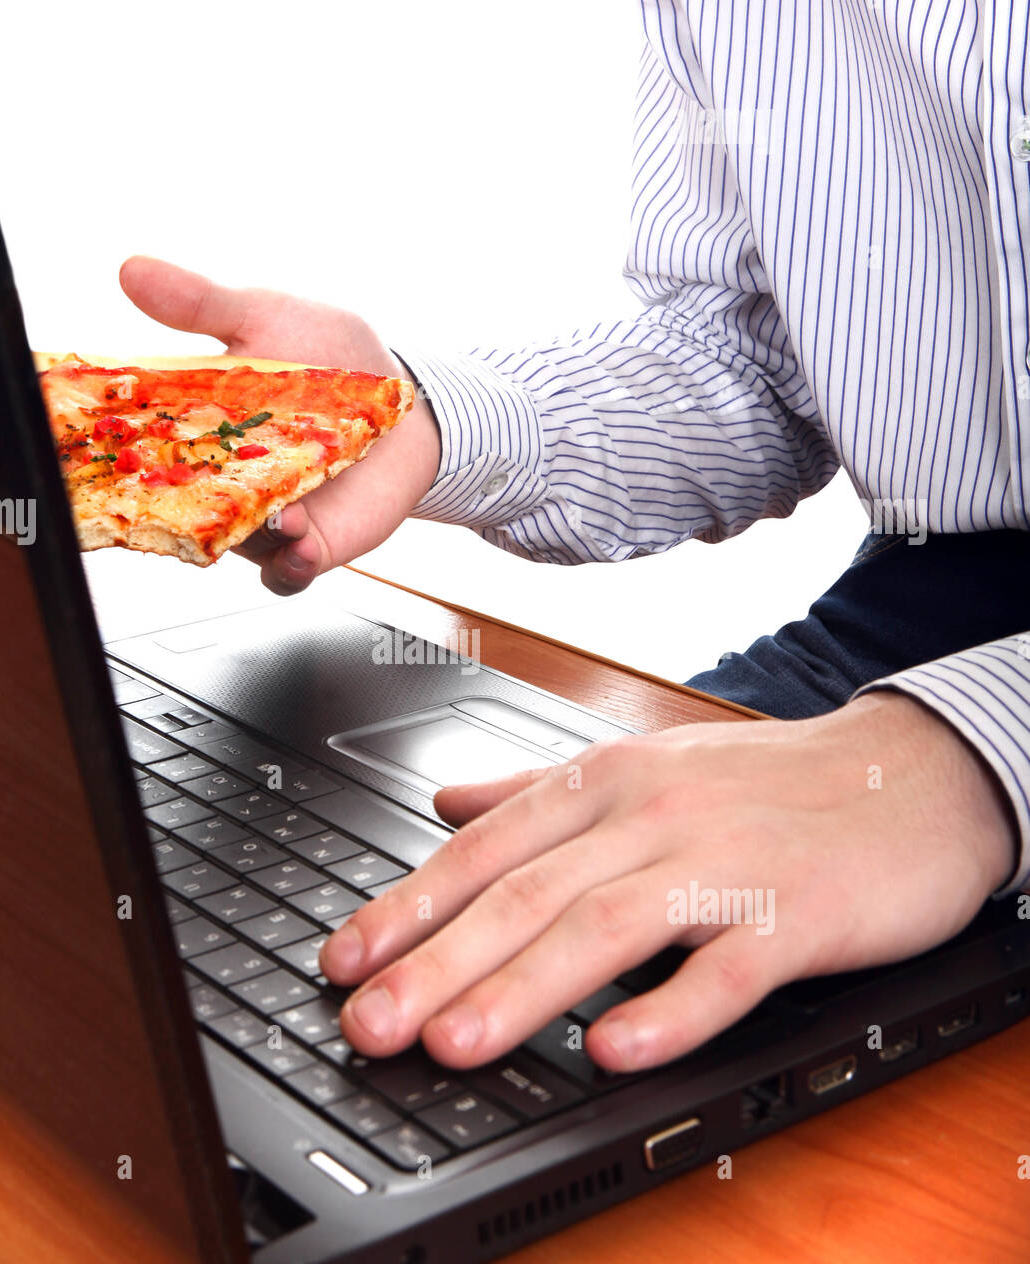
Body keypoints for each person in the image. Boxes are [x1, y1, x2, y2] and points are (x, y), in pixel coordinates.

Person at [116, 0, 1028, 1076]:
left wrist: (966, 760)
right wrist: (421, 421)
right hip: (918, 615)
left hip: (956, 720)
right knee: (444, 972)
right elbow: (752, 360)